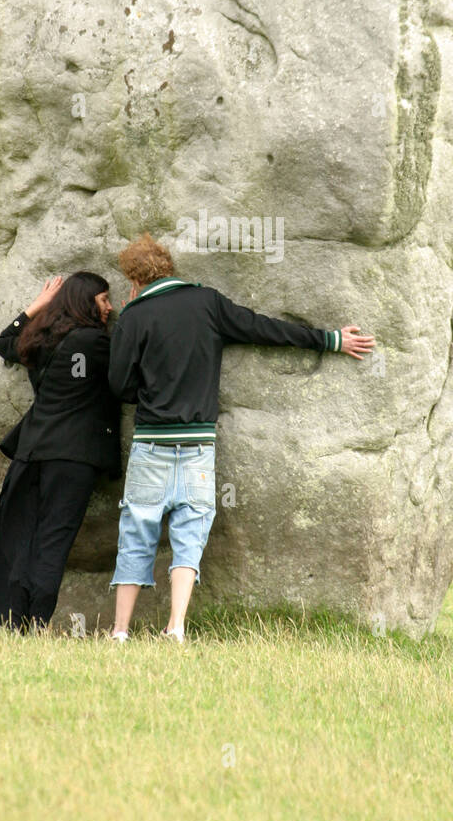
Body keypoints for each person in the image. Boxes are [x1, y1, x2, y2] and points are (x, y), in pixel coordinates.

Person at [107, 233, 375, 642]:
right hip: (199, 447)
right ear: (168, 266)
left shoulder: (134, 316)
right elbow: (262, 329)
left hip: (151, 445)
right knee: (190, 536)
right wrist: (331, 339)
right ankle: (176, 627)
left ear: (133, 278)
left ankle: (119, 632)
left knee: (136, 534)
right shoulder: (207, 302)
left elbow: (118, 385)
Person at [0, 271, 120, 633]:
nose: (110, 308)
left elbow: (5, 341)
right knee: (54, 540)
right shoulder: (95, 344)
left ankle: (14, 619)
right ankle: (37, 624)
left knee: (22, 537)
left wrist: (37, 306)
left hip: (31, 454)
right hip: (73, 460)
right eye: (103, 300)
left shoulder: (41, 340)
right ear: (86, 302)